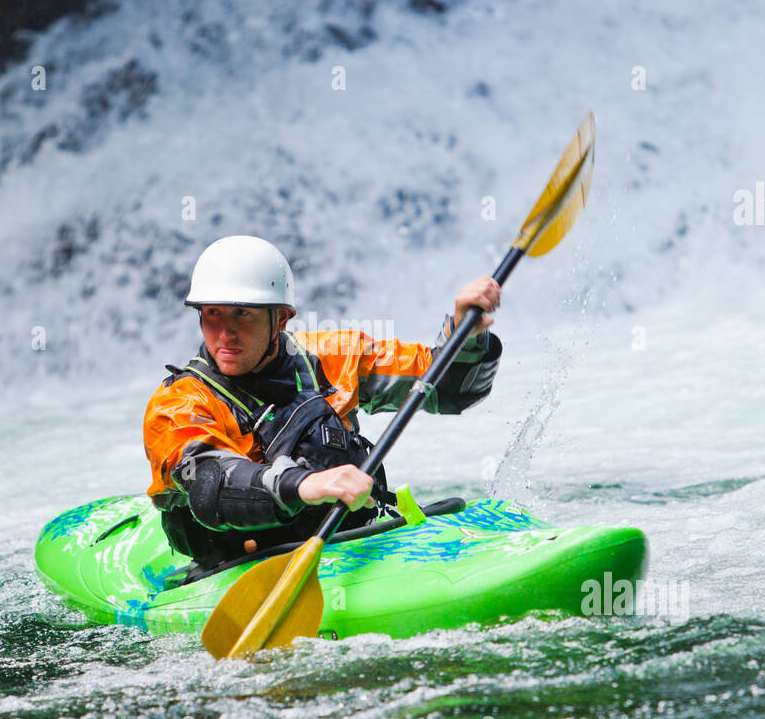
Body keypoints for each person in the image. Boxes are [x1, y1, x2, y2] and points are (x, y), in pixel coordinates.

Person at [143, 236, 502, 570]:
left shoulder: (331, 356)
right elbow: (211, 484)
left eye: (243, 315)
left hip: (347, 542)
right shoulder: (177, 403)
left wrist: (465, 332)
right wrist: (304, 485)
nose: (225, 334)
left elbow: (449, 389)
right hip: (239, 564)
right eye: (213, 314)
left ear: (281, 318)